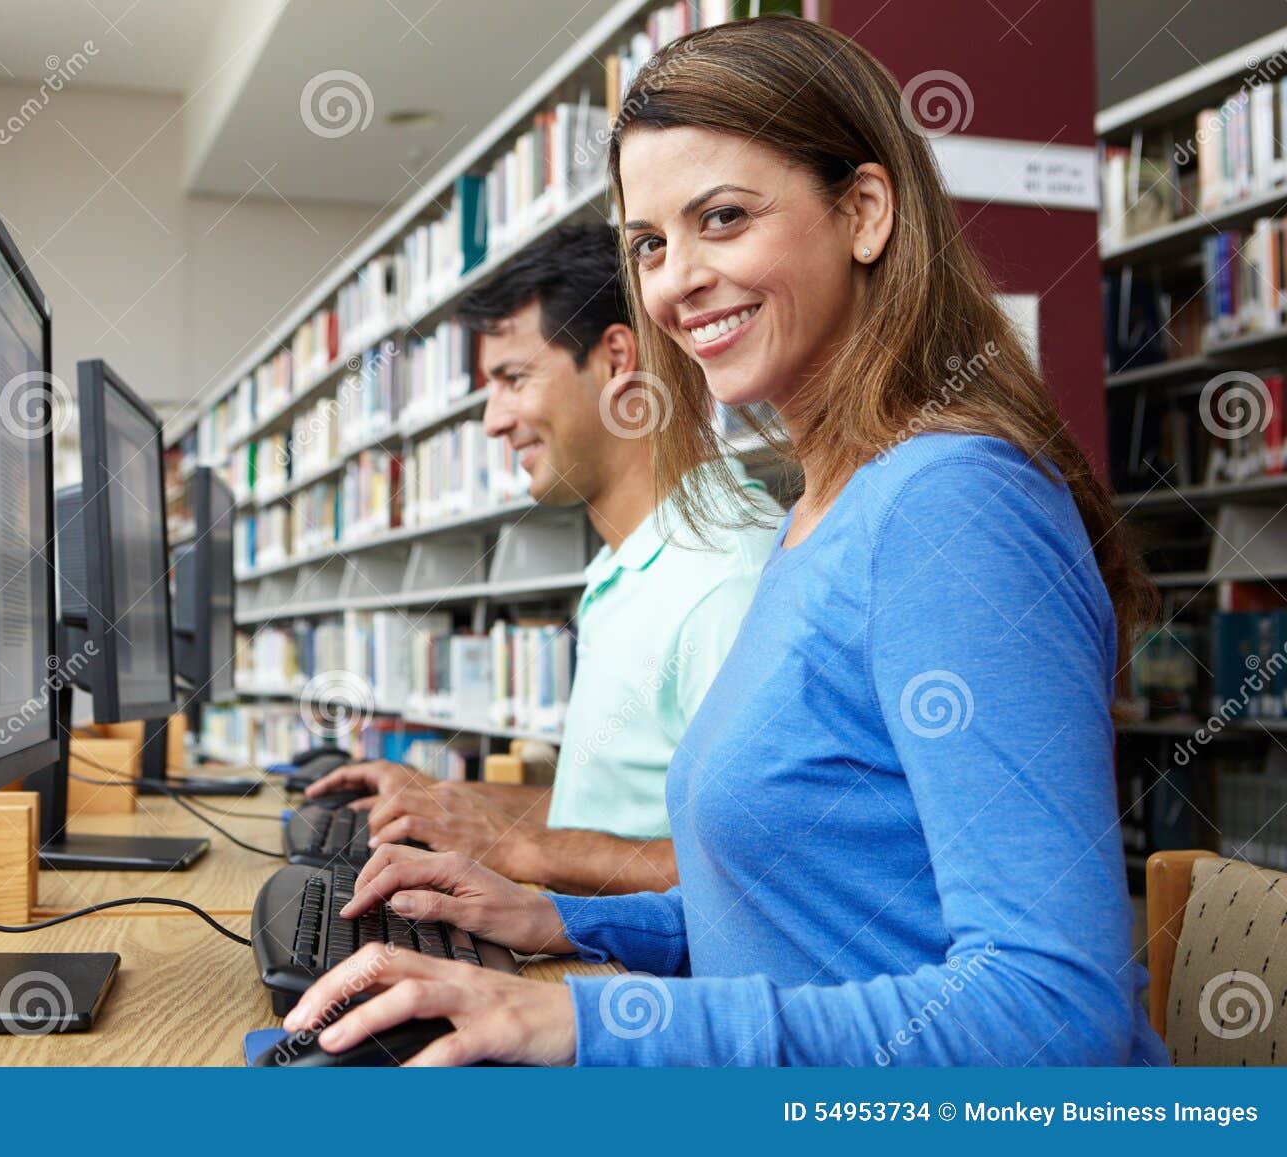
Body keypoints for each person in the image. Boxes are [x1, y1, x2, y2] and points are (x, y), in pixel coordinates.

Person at [284, 15, 1168, 1066]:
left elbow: (1052, 1016)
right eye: (650, 244)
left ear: (866, 211)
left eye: (723, 218)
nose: (676, 280)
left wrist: (589, 1018)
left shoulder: (950, 506)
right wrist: (559, 924)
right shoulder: (815, 512)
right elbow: (806, 927)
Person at [307, 223, 779, 895]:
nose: (492, 421)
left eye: (513, 378)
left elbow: (759, 867)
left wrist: (525, 849)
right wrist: (447, 802)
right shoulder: (626, 568)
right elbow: (611, 819)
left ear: (616, 359)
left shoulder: (724, 576)